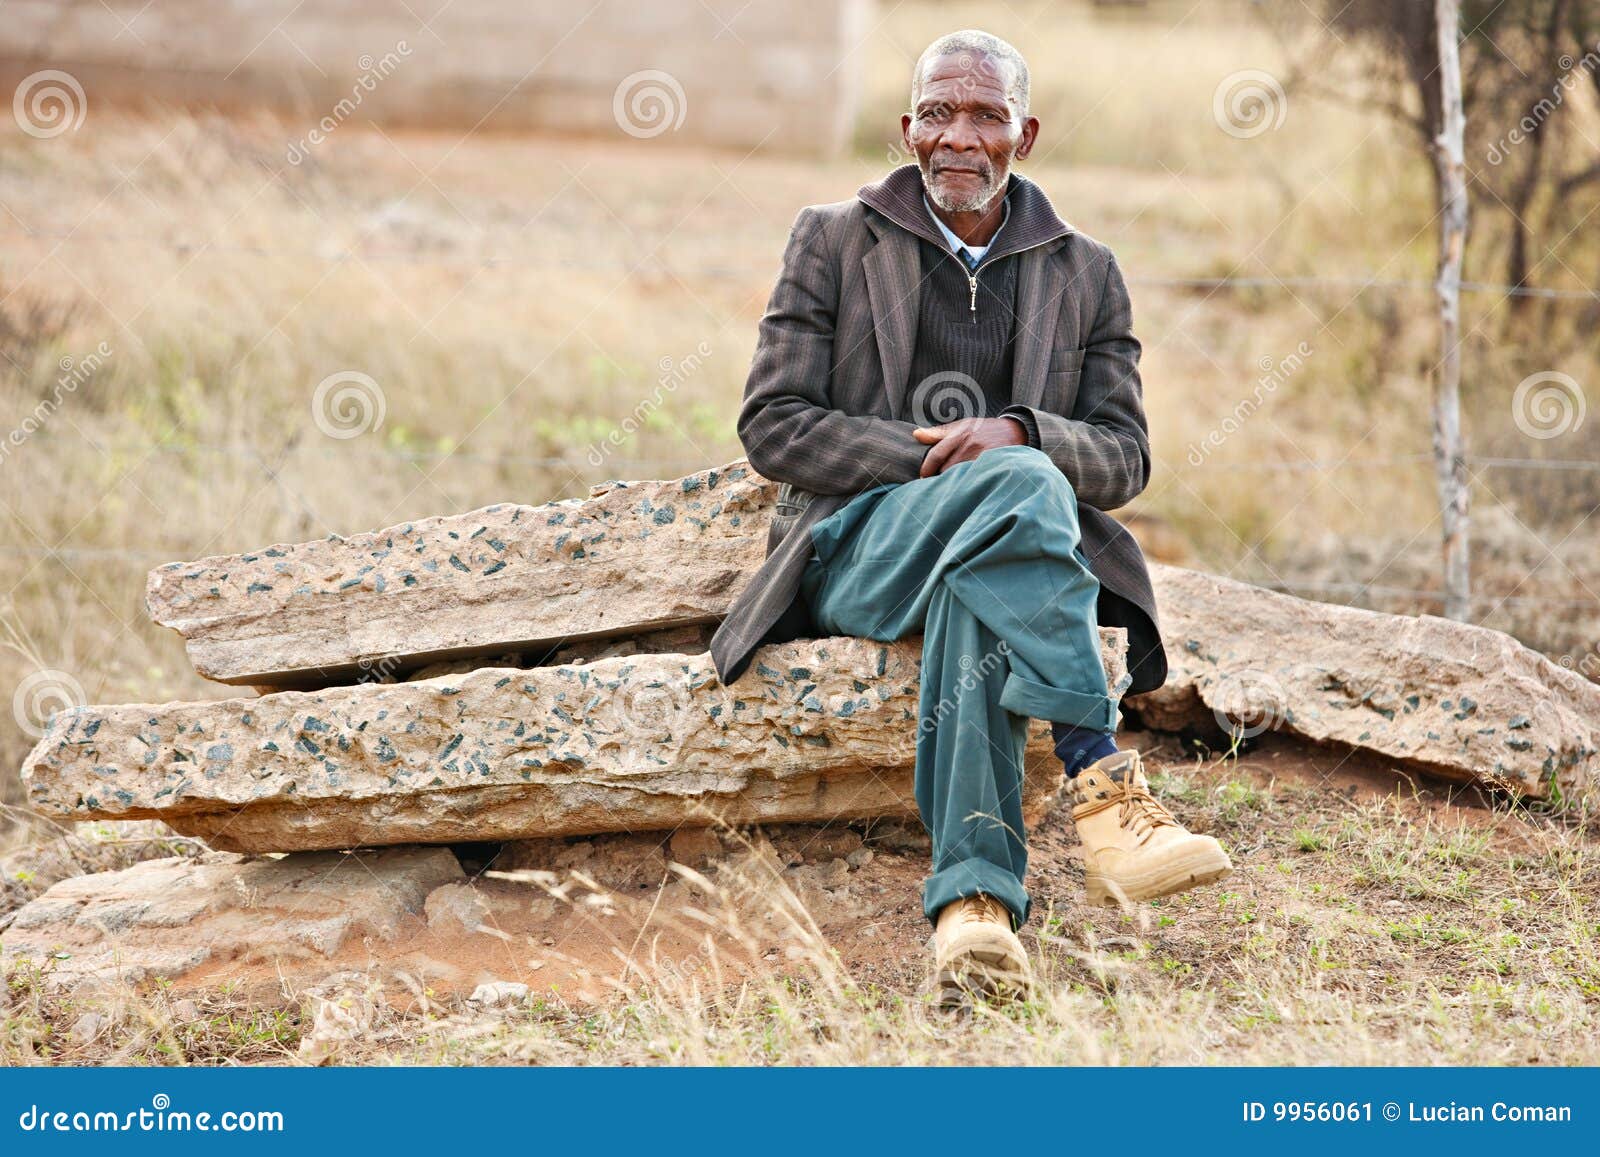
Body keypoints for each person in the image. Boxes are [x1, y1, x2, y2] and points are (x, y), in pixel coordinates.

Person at [708, 29, 1230, 1002]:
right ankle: (1101, 778)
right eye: (939, 112)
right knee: (1023, 487)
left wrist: (1023, 429)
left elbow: (1125, 457)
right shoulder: (830, 239)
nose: (959, 135)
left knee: (988, 565)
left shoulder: (1088, 272)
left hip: (988, 565)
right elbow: (771, 424)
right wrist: (941, 455)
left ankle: (973, 911)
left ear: (1022, 136)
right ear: (907, 129)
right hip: (857, 549)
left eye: (985, 114)